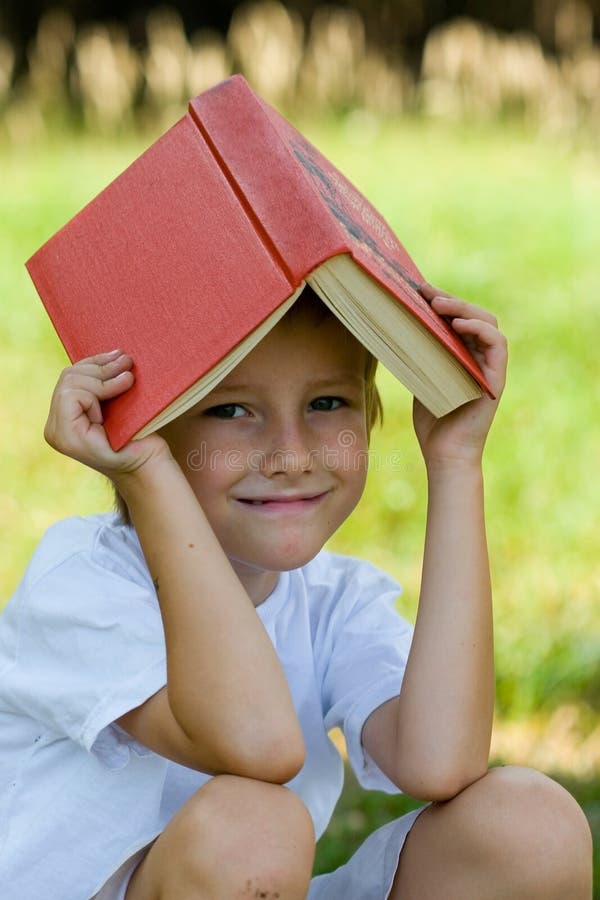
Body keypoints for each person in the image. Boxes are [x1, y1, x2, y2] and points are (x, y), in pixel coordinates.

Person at [0, 284, 592, 900]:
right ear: (142, 426)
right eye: (230, 410)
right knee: (254, 830)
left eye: (328, 402)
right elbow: (256, 744)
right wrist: (148, 475)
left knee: (529, 827)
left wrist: (455, 461)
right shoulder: (82, 585)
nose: (291, 455)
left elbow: (439, 761)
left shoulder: (336, 599)